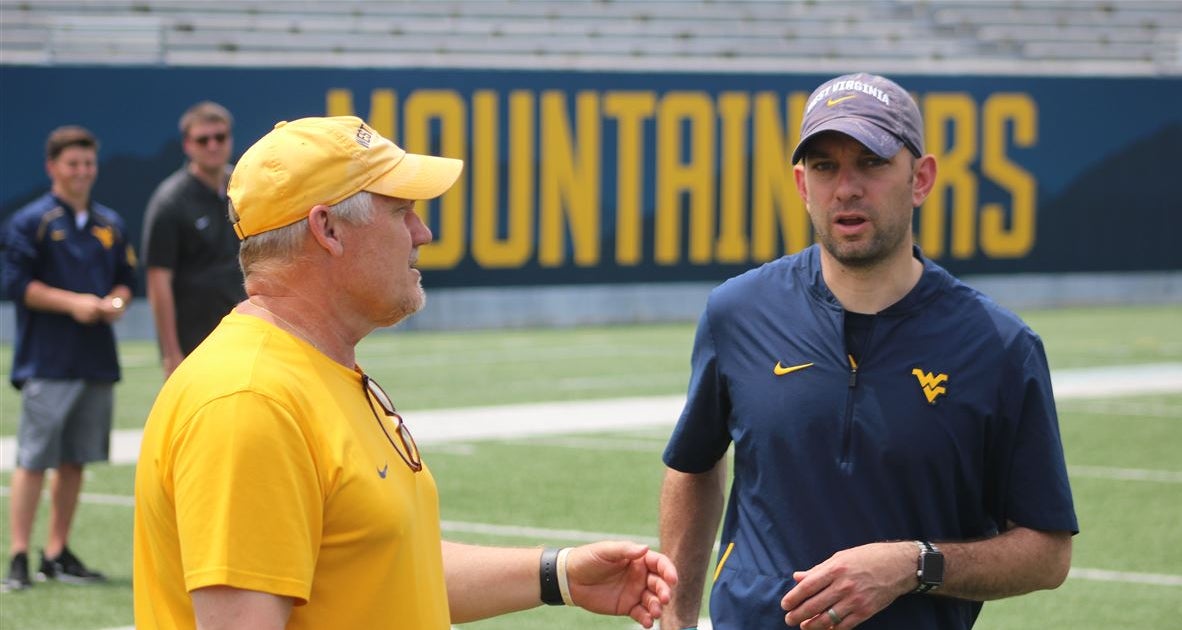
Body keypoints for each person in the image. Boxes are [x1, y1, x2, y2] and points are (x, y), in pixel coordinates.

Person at [132, 116, 677, 628]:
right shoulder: (249, 400)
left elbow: (378, 560)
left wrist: (558, 575)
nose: (422, 232)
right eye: (400, 211)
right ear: (328, 228)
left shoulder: (311, 370)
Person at [658, 73, 1078, 630]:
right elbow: (692, 464)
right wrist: (675, 620)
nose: (846, 187)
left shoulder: (1000, 346)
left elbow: (1047, 553)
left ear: (921, 179)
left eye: (872, 163)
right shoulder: (736, 312)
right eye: (825, 166)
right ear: (803, 184)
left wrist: (915, 564)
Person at [2, 125, 136, 591]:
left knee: (77, 459)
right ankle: (18, 556)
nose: (82, 172)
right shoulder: (30, 221)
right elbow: (16, 286)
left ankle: (55, 553)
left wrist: (115, 303)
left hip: (96, 359)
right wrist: (75, 303)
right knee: (34, 459)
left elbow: (125, 279)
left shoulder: (111, 223)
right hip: (48, 360)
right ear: (52, 168)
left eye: (88, 163)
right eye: (73, 163)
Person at [142, 100, 245, 377]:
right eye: (203, 140)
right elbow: (158, 279)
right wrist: (171, 352)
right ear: (188, 145)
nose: (213, 145)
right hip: (196, 340)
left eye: (220, 137)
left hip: (245, 331)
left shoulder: (244, 187)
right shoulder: (170, 201)